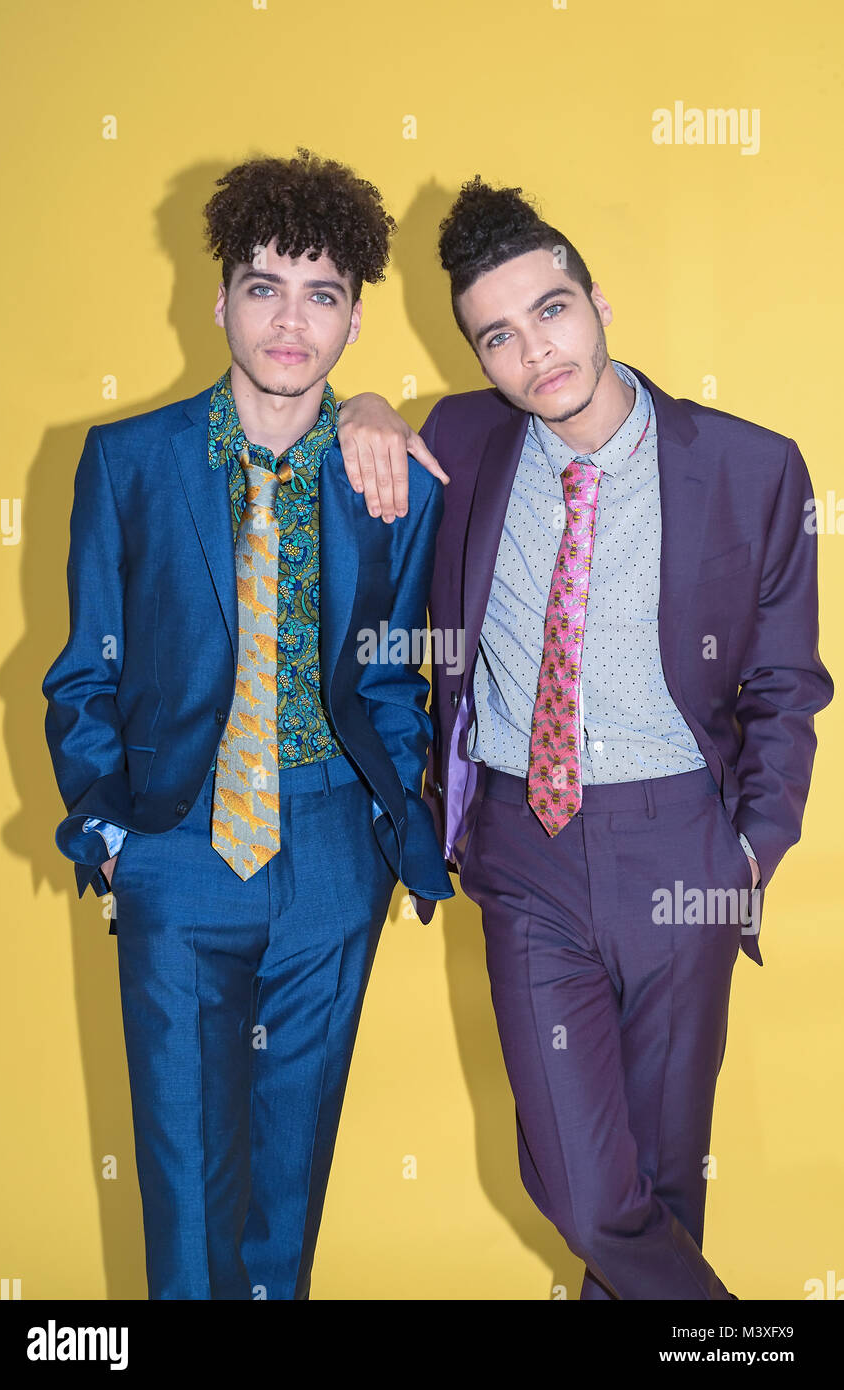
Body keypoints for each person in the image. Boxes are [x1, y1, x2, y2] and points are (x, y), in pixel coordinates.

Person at [335, 176, 833, 1298]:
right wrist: (363, 401)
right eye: (497, 337)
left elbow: (788, 685)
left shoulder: (752, 466)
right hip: (525, 852)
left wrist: (749, 854)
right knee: (581, 1185)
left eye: (551, 311)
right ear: (478, 356)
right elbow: (347, 440)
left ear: (597, 299)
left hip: (682, 851)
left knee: (664, 1178)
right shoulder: (461, 437)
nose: (536, 354)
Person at [41, 148, 453, 1300]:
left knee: (290, 1182)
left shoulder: (398, 481)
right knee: (183, 1185)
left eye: (322, 295)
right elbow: (83, 672)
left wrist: (390, 823)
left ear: (354, 321)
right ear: (220, 299)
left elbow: (393, 681)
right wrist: (115, 833)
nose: (290, 320)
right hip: (179, 846)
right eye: (265, 286)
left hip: (331, 855)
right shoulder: (127, 461)